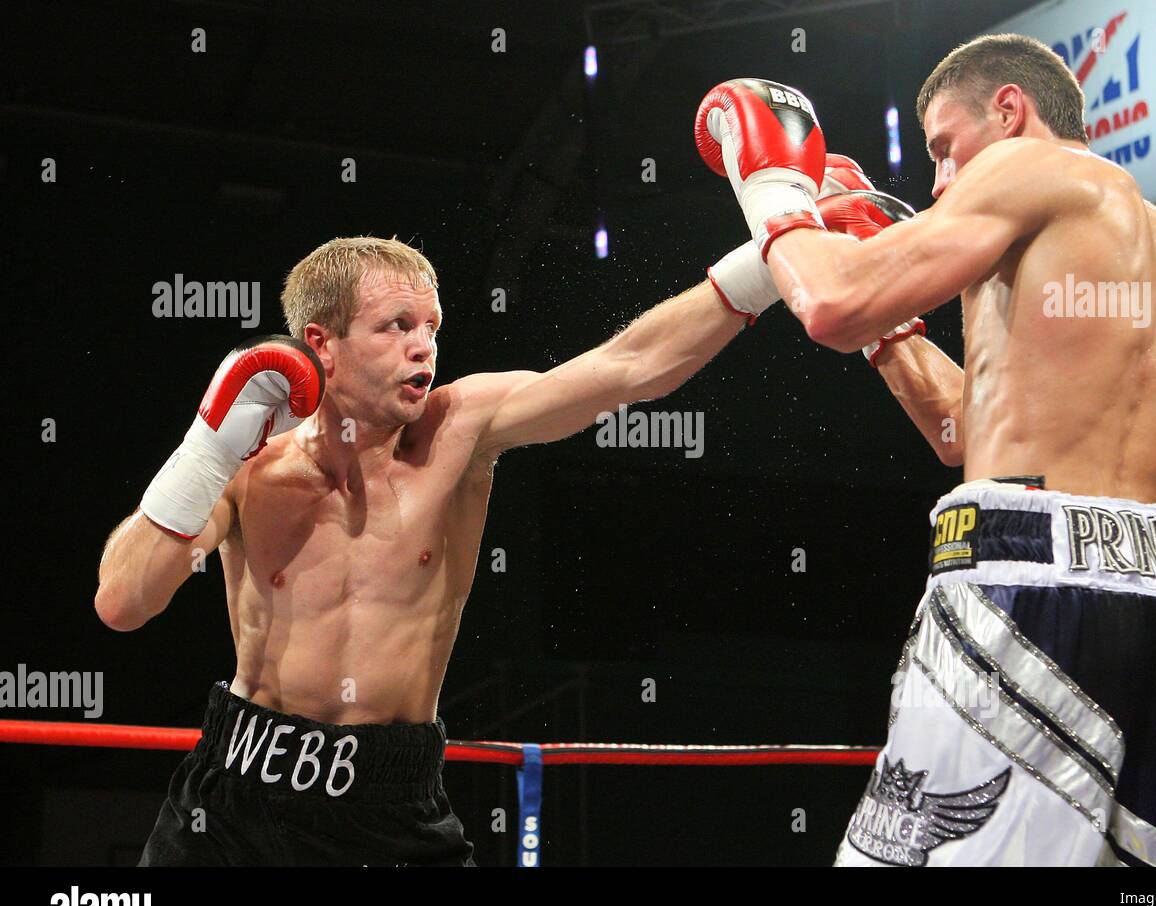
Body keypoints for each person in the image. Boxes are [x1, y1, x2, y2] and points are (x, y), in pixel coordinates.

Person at [696, 34, 1156, 866]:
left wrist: (775, 186)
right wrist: (890, 334)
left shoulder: (1029, 171)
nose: (940, 182)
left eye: (946, 148)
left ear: (1009, 111)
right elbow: (963, 435)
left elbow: (829, 303)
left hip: (1024, 583)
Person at [95, 230, 776, 865]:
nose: (424, 347)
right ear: (320, 343)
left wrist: (768, 261)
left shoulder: (462, 430)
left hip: (391, 803)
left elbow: (630, 367)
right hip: (234, 796)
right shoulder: (247, 464)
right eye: (396, 327)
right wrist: (205, 447)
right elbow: (124, 603)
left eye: (431, 328)